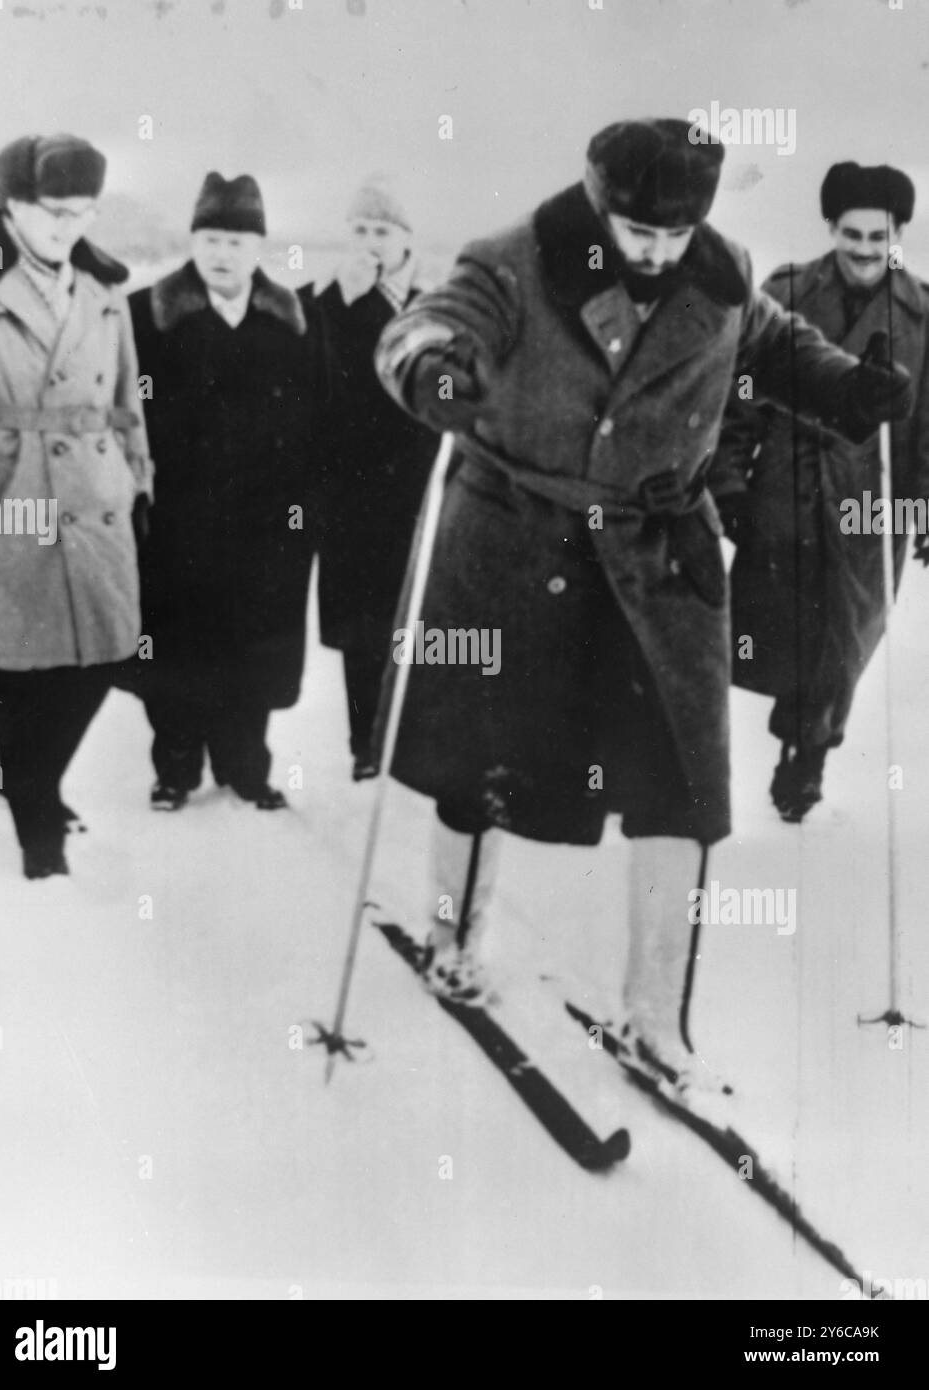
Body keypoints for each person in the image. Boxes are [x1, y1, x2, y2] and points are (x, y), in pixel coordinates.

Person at [373, 119, 911, 1105]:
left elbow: (771, 341)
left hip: (660, 556)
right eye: (635, 231)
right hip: (518, 545)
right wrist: (432, 369)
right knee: (482, 767)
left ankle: (655, 1019)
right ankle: (452, 937)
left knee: (683, 790)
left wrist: (845, 385)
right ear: (597, 203)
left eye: (674, 233)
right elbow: (429, 323)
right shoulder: (515, 259)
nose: (657, 250)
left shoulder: (720, 271)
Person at [711, 163, 929, 822]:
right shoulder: (786, 293)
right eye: (852, 234)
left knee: (844, 641)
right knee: (763, 629)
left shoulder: (924, 314)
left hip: (872, 504)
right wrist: (727, 482)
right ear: (831, 228)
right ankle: (695, 761)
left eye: (879, 236)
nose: (865, 249)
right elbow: (739, 397)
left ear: (898, 234)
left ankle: (806, 756)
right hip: (787, 489)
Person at [0, 133, 152, 879]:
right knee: (19, 661)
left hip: (97, 488)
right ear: (11, 207)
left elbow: (128, 397)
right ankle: (38, 830)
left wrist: (140, 481)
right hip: (12, 493)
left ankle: (29, 781)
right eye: (52, 213)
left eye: (82, 213)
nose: (68, 227)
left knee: (99, 655)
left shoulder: (104, 289)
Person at [128, 173, 323, 811]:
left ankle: (246, 767)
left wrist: (301, 516)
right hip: (179, 521)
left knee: (255, 647)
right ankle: (175, 769)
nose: (221, 253)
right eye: (210, 238)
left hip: (265, 526)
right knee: (179, 648)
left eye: (236, 241)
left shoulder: (294, 321)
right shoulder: (147, 316)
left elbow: (317, 417)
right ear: (192, 240)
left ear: (258, 247)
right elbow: (124, 412)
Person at [310, 175, 439, 780]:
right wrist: (345, 303)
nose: (369, 242)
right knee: (362, 628)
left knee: (417, 618)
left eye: (382, 231)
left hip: (419, 489)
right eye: (359, 230)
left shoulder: (435, 301)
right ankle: (366, 744)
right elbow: (321, 381)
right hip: (350, 489)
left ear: (406, 239)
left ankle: (411, 742)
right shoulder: (323, 299)